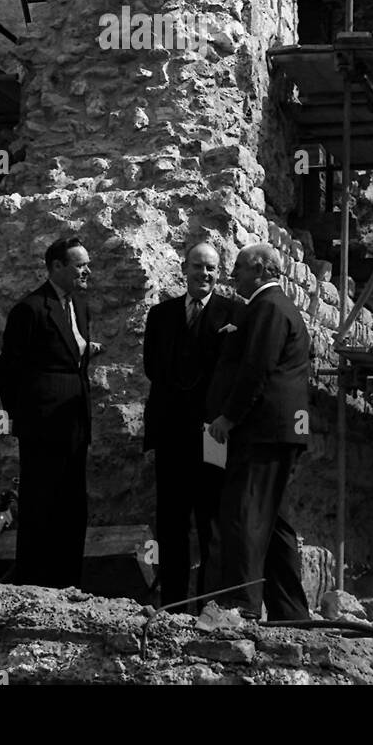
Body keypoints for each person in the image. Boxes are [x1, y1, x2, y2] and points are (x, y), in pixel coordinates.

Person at [206, 242, 311, 622]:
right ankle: (293, 613)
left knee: (245, 511)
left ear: (263, 270)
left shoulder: (267, 307)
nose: (233, 274)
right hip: (282, 431)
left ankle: (241, 605)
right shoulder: (281, 307)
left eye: (239, 267)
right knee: (275, 523)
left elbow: (257, 368)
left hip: (263, 431)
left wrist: (228, 417)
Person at [0, 235, 98, 587]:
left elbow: (71, 357)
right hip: (43, 424)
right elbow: (8, 368)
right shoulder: (31, 308)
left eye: (87, 264)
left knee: (72, 502)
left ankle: (68, 579)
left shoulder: (80, 307)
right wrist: (19, 417)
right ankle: (35, 581)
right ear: (57, 267)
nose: (87, 270)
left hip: (74, 419)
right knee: (41, 500)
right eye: (79, 264)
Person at [142, 241, 240, 609]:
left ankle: (208, 605)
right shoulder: (161, 315)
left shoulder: (233, 314)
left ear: (220, 273)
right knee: (171, 522)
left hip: (211, 436)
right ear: (185, 269)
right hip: (170, 434)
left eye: (212, 269)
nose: (205, 274)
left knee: (210, 521)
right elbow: (153, 367)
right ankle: (173, 604)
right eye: (199, 267)